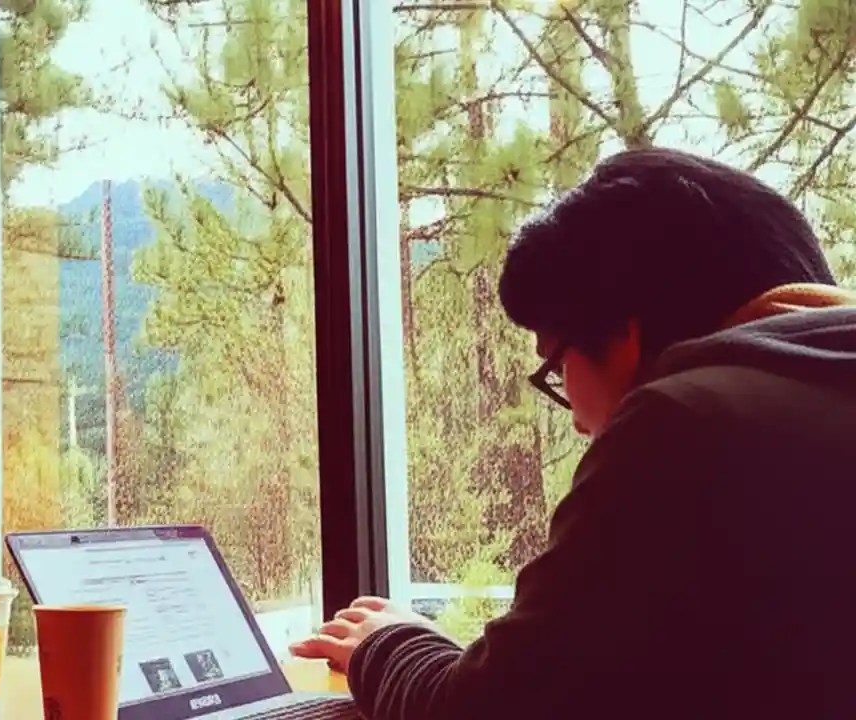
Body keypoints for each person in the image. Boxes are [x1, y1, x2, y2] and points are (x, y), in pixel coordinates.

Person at [290, 148, 856, 719]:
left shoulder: (683, 424)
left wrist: (386, 642)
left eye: (556, 365)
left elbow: (479, 712)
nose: (579, 422)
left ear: (624, 333)